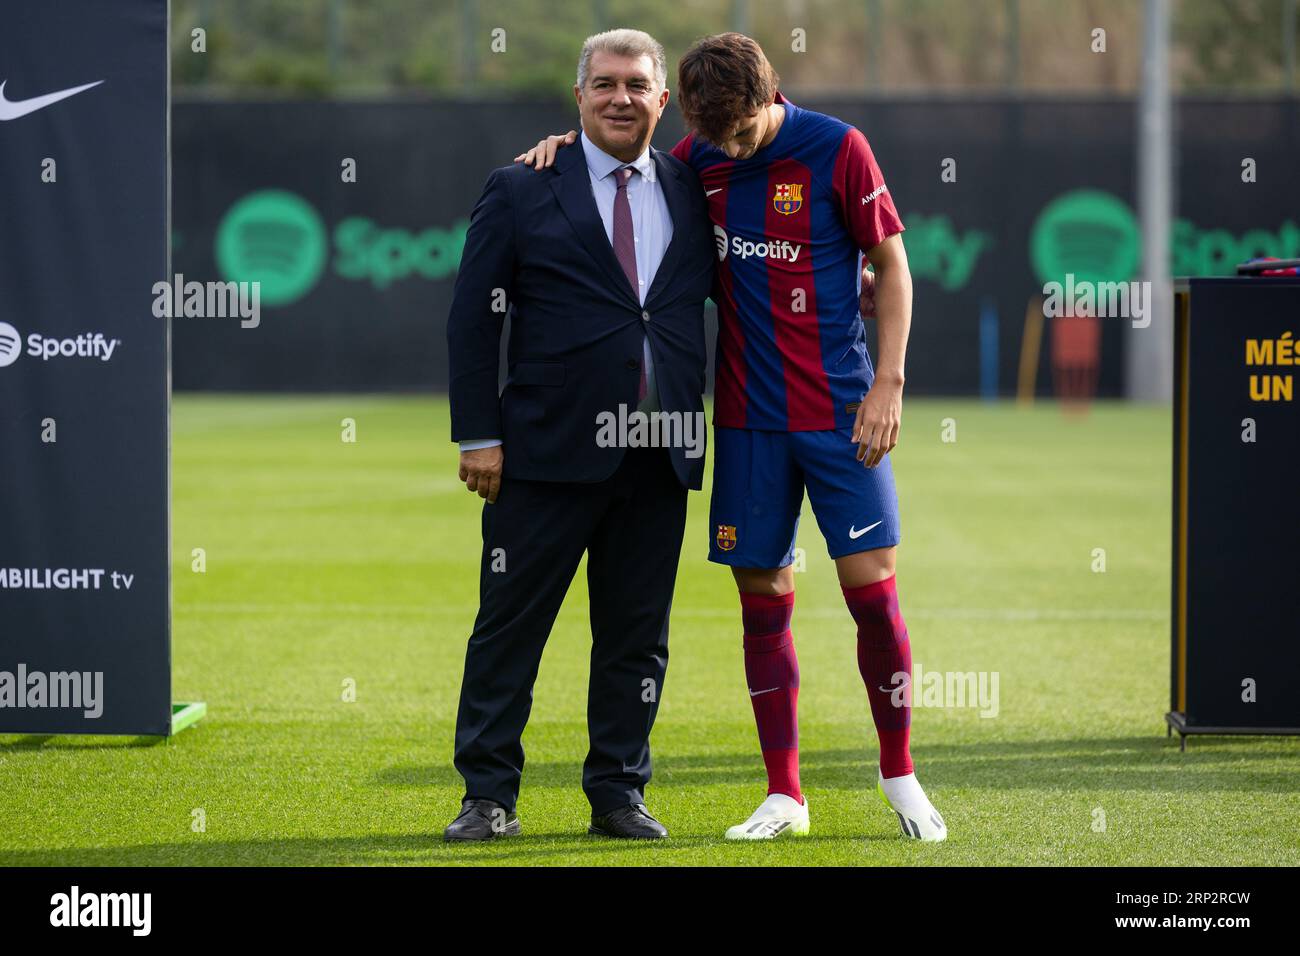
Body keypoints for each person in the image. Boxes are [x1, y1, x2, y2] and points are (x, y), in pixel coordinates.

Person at [516, 32, 947, 842]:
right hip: (747, 418)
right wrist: (560, 148)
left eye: (743, 130)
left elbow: (892, 266)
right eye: (717, 135)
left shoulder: (838, 148)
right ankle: (786, 794)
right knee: (763, 599)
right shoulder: (697, 157)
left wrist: (889, 383)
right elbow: (619, 164)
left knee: (873, 594)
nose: (732, 146)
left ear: (771, 94)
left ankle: (900, 775)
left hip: (842, 412)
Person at [444, 28, 714, 841]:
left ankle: (618, 795)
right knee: (509, 632)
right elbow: (469, 321)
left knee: (636, 641)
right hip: (541, 455)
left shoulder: (695, 190)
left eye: (636, 85)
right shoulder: (521, 186)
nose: (620, 98)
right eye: (604, 84)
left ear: (663, 100)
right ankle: (488, 797)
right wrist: (476, 436)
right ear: (579, 97)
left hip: (658, 454)